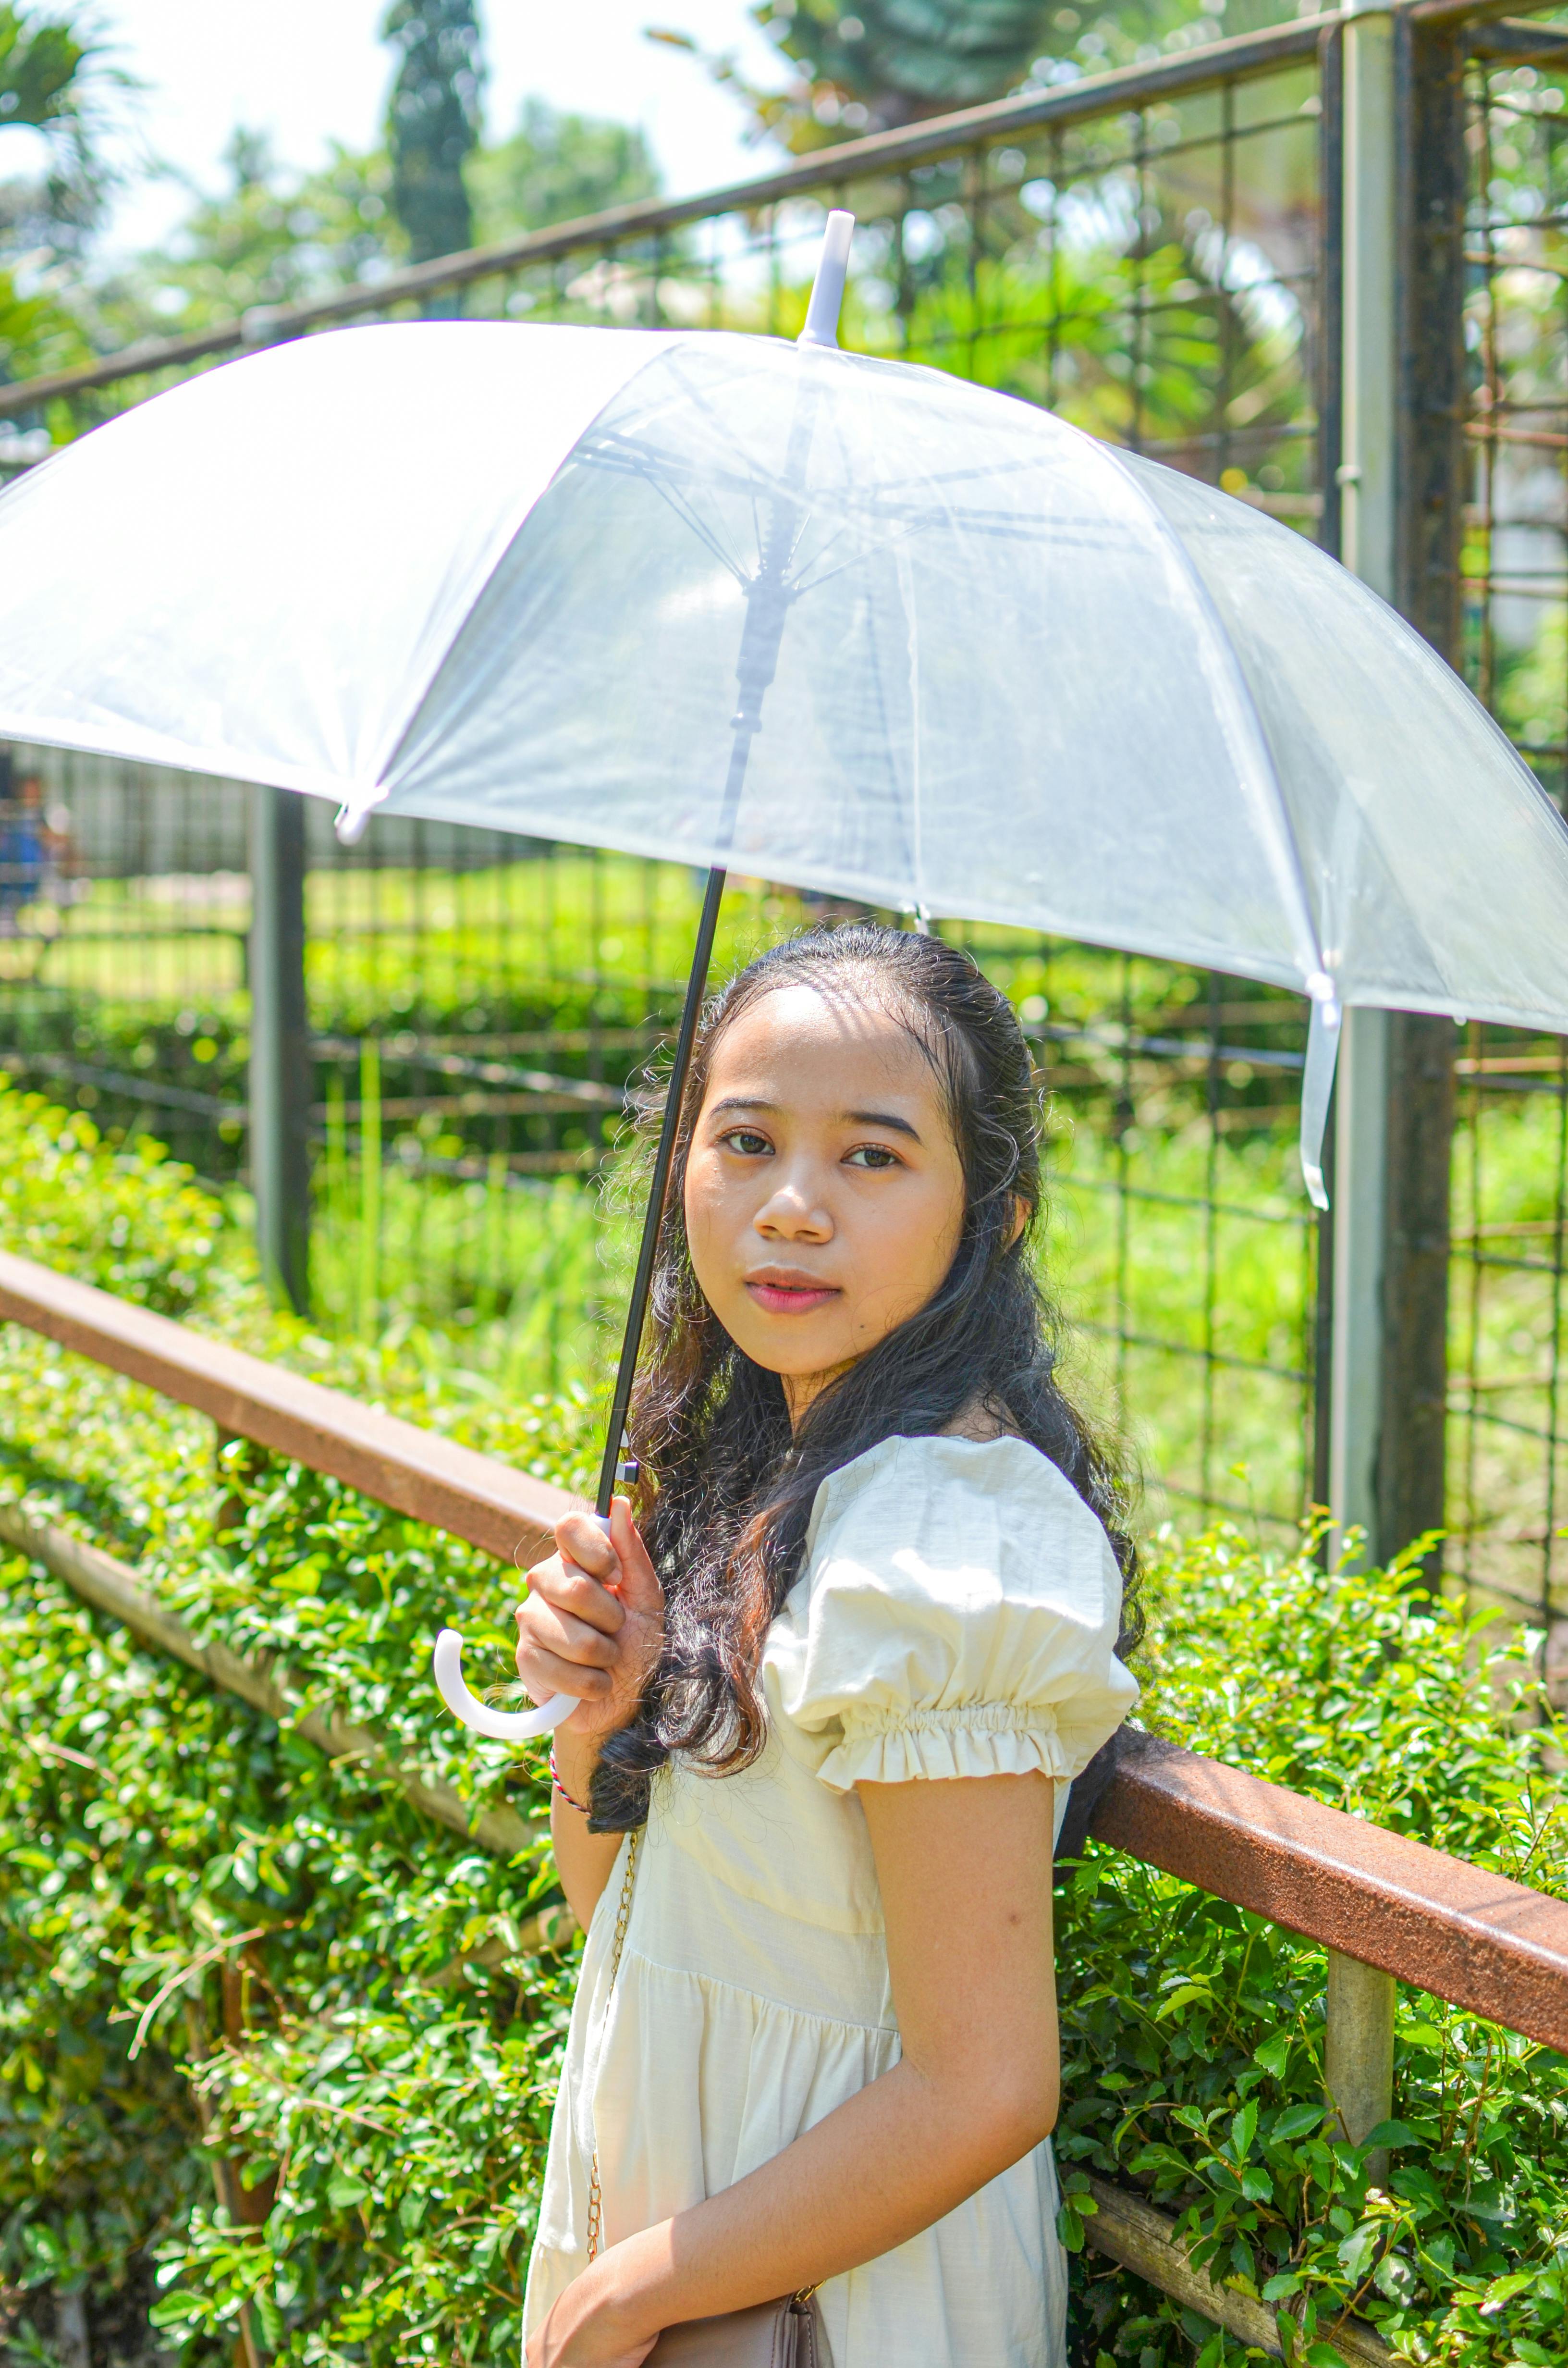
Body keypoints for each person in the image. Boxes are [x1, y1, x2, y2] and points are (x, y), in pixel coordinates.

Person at [517, 923, 1140, 2368]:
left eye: (872, 1157)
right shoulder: (775, 1481)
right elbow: (619, 1922)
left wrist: (635, 2294)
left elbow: (985, 2084)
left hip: (840, 2298)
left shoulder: (940, 1538)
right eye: (745, 1140)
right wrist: (601, 1723)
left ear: (995, 1218)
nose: (791, 1207)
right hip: (704, 2236)